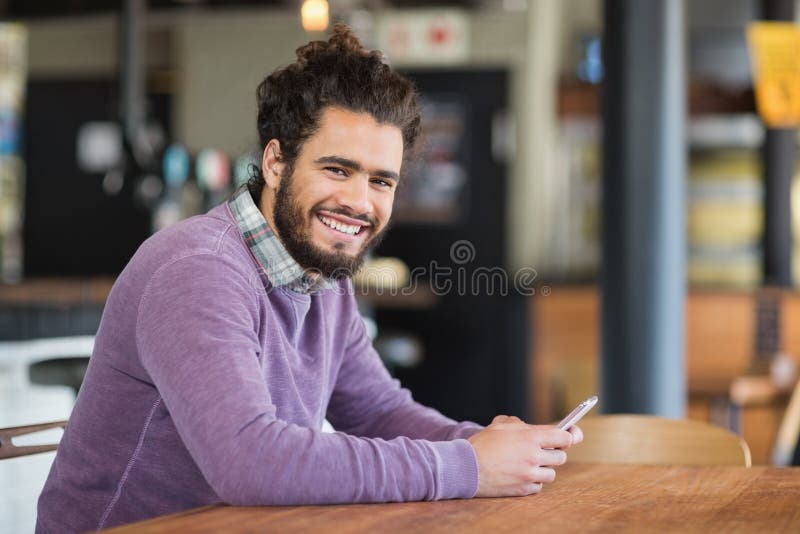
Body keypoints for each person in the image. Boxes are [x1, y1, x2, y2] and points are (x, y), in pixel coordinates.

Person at [36, 25, 581, 533]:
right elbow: (249, 460)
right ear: (276, 163)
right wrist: (467, 465)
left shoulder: (322, 280)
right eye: (337, 169)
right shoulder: (196, 268)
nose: (359, 201)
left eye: (381, 181)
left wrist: (491, 445)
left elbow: (376, 411)